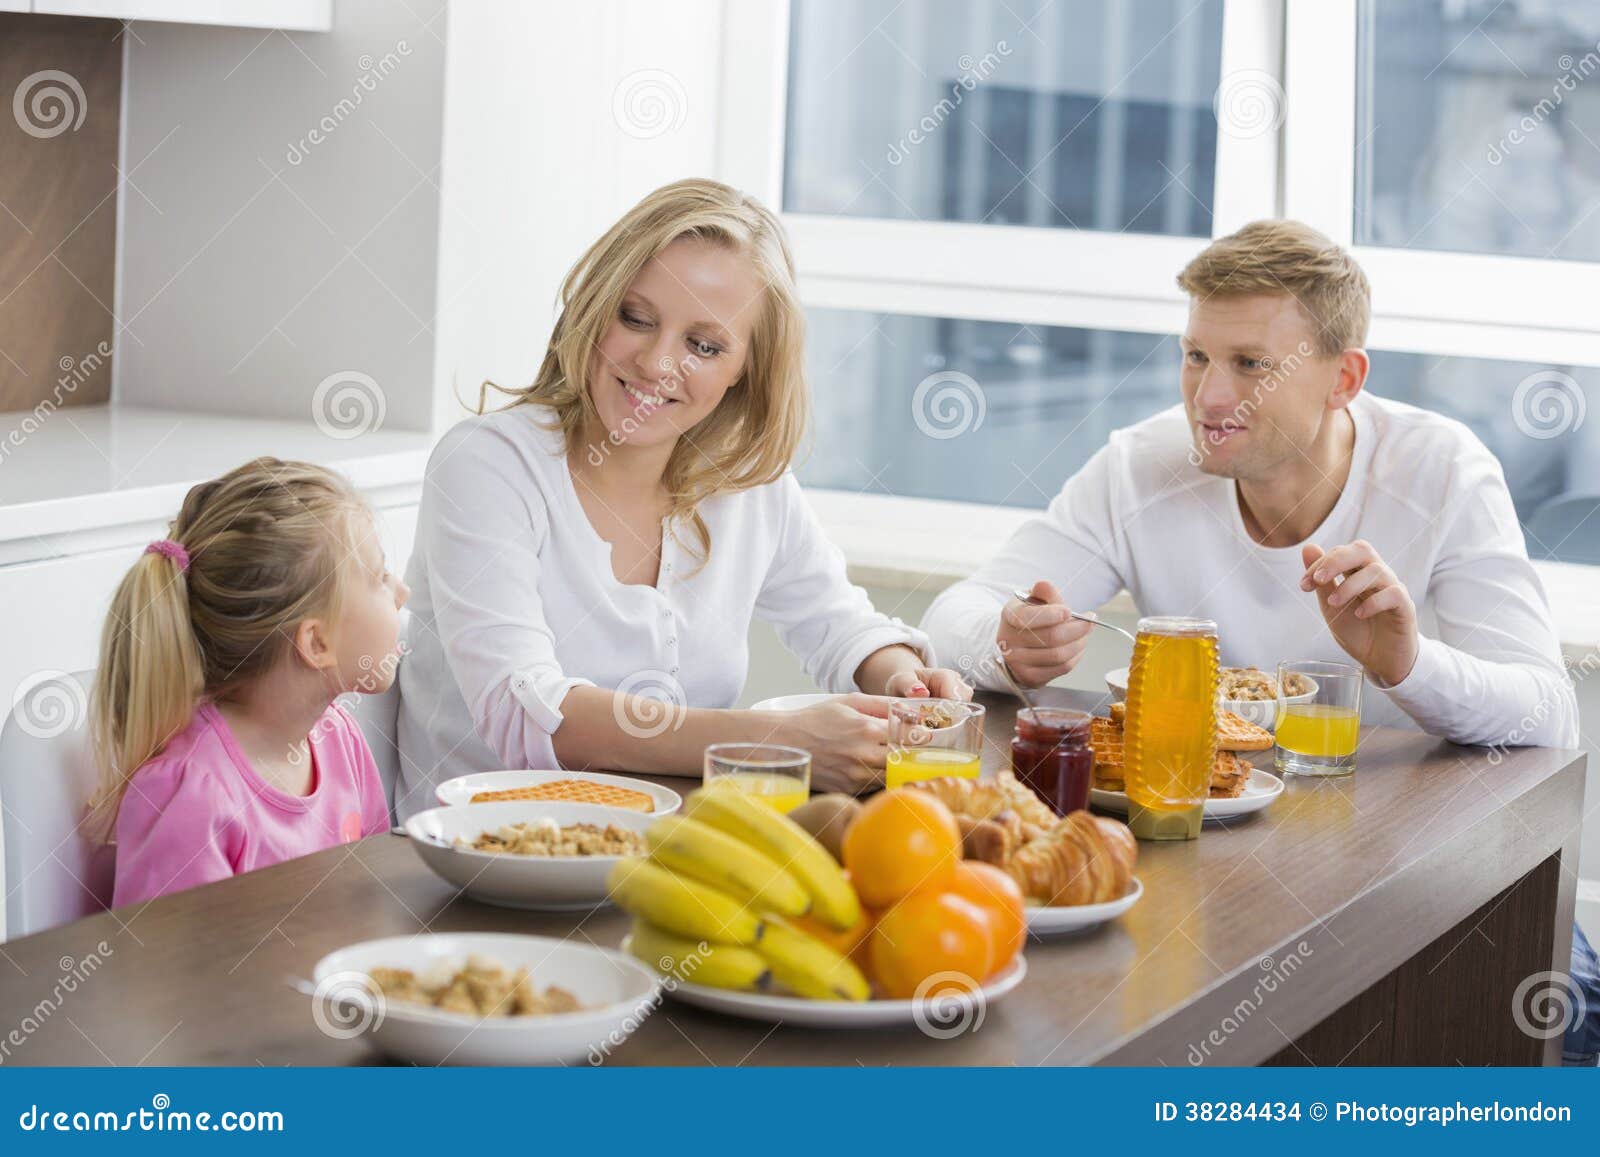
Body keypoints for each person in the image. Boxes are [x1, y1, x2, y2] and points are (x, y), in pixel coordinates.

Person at [395, 179, 966, 819]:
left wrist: (902, 685)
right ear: (593, 307)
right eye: (635, 318)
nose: (657, 362)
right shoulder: (488, 464)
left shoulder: (748, 485)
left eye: (704, 345)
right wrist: (780, 742)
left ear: (745, 367)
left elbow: (841, 627)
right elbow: (527, 718)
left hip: (668, 855)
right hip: (476, 866)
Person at [922, 218, 1576, 750]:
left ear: (1343, 379)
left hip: (1399, 842)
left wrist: (1408, 664)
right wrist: (1007, 644)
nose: (1208, 397)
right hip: (1206, 816)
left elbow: (1548, 714)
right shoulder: (1139, 466)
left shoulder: (1443, 473)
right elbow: (954, 614)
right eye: (1196, 356)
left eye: (1250, 364)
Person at [91, 459, 408, 906]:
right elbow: (170, 969)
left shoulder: (341, 739)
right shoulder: (193, 794)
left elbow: (375, 900)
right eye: (380, 577)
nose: (402, 592)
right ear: (316, 642)